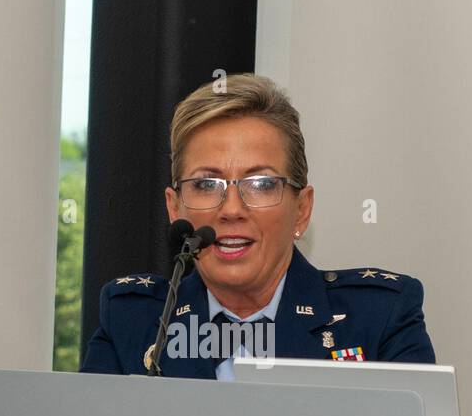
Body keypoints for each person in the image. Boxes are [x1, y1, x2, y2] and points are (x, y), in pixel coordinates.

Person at [80, 73, 437, 380]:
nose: (231, 210)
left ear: (302, 209)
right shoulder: (133, 319)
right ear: (175, 208)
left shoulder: (378, 318)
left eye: (261, 184)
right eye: (207, 184)